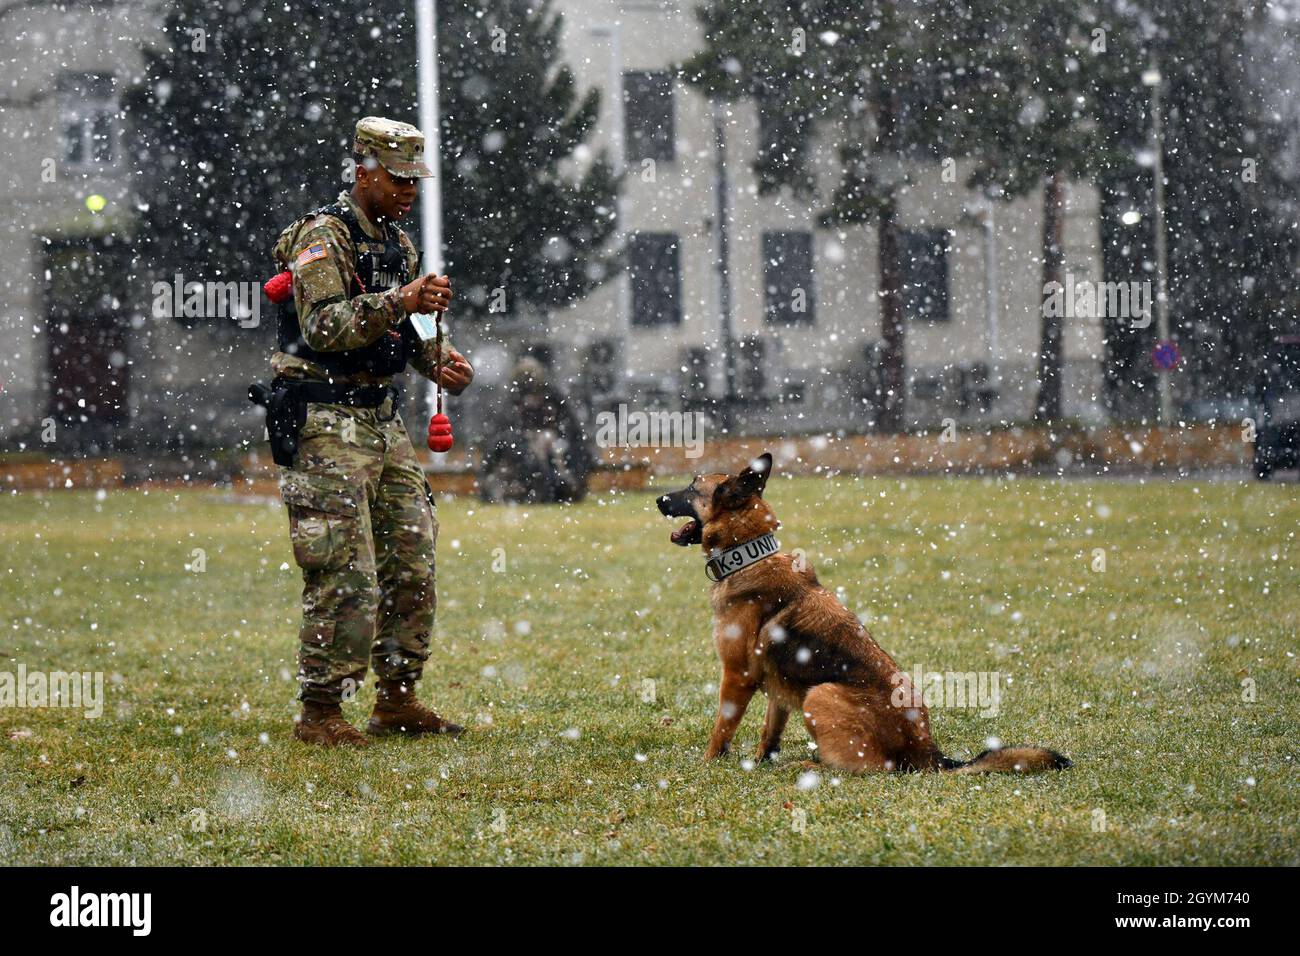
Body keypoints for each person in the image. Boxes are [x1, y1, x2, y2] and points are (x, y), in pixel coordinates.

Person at [267, 116, 473, 748]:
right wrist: (401, 302)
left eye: (416, 179)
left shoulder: (397, 247)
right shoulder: (321, 238)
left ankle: (397, 698)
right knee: (342, 567)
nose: (409, 190)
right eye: (398, 177)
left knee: (412, 557)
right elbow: (325, 326)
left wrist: (440, 358)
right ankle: (321, 710)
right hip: (323, 419)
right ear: (364, 172)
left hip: (381, 421)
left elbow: (405, 336)